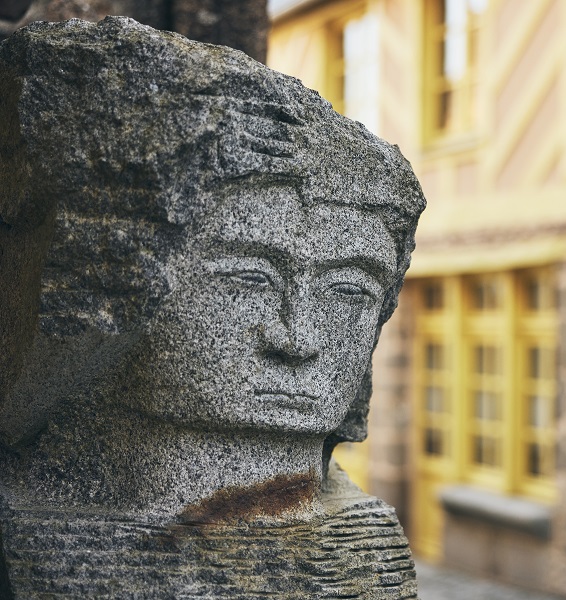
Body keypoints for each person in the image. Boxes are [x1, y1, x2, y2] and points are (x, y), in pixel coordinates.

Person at [0, 17, 423, 597]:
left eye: (348, 292)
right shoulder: (42, 534)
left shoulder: (366, 541)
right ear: (127, 287)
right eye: (246, 279)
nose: (295, 337)